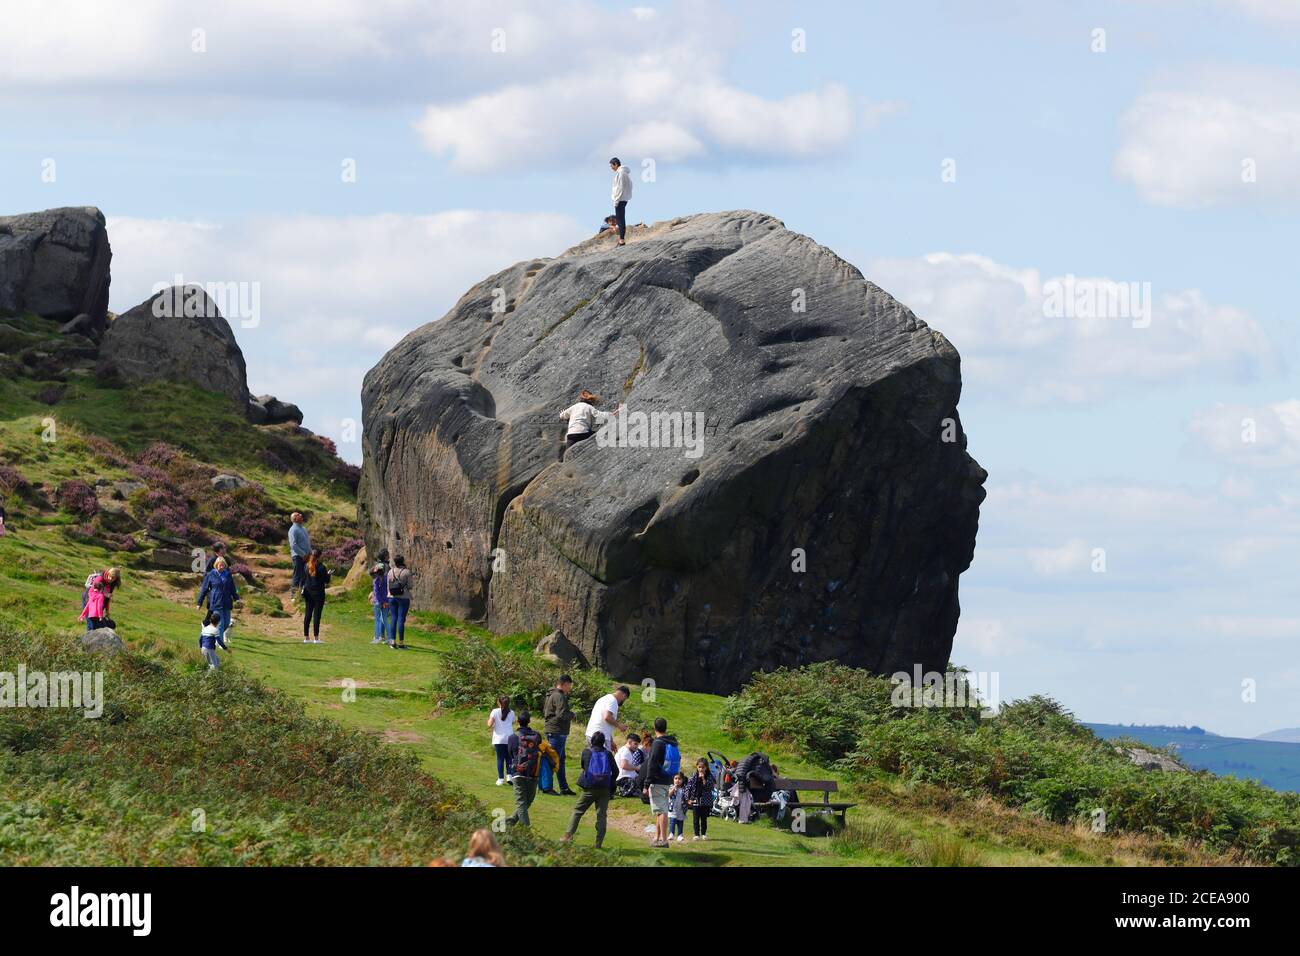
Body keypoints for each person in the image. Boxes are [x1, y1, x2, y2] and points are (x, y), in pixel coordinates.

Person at [561, 730, 616, 848]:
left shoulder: (587, 752)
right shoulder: (608, 754)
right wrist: (610, 785)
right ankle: (598, 843)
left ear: (592, 741)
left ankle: (568, 835)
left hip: (590, 788)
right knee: (601, 815)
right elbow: (615, 771)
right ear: (603, 742)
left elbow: (583, 766)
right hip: (605, 789)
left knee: (577, 811)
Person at [505, 711, 558, 829]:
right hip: (533, 772)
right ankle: (525, 829)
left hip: (517, 772)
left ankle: (513, 821)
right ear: (529, 721)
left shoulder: (512, 737)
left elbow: (510, 753)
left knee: (522, 802)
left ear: (518, 722)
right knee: (527, 801)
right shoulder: (537, 736)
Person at [642, 717, 680, 848]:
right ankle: (657, 838)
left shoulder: (658, 743)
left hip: (657, 780)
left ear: (654, 727)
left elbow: (651, 764)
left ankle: (664, 840)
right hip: (668, 779)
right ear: (665, 727)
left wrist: (646, 784)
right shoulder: (673, 742)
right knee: (660, 809)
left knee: (662, 810)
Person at [558, 389, 622, 461]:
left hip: (571, 435)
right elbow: (600, 415)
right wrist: (615, 412)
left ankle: (562, 464)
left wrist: (562, 414)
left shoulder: (574, 407)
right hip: (583, 433)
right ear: (591, 401)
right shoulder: (589, 407)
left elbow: (562, 416)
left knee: (567, 454)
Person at [540, 674, 576, 796]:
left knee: (559, 760)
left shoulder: (551, 694)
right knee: (552, 759)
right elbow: (561, 714)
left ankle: (564, 787)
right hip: (557, 731)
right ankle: (546, 787)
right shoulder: (559, 696)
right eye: (569, 685)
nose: (570, 688)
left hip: (555, 730)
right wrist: (572, 714)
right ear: (565, 684)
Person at [197, 557, 239, 647]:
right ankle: (220, 643)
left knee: (227, 623)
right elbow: (204, 589)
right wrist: (199, 602)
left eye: (223, 565)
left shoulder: (228, 575)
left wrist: (236, 598)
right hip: (216, 602)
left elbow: (232, 588)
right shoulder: (210, 575)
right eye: (220, 564)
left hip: (227, 602)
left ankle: (212, 635)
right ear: (216, 565)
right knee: (221, 623)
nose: (222, 566)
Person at [300, 548, 331, 643]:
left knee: (308, 615)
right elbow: (326, 580)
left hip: (308, 593)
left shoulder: (306, 566)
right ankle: (316, 638)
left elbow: (303, 579)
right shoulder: (322, 567)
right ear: (319, 556)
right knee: (317, 616)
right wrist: (329, 574)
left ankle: (306, 638)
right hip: (319, 594)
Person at [488, 694, 517, 786]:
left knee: (500, 759)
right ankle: (509, 776)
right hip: (510, 738)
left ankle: (500, 779)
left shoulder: (495, 711)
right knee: (509, 758)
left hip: (499, 739)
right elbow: (512, 722)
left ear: (499, 702)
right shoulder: (512, 712)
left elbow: (489, 724)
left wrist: (490, 722)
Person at [685, 757, 715, 840]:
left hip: (705, 801)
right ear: (697, 767)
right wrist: (688, 799)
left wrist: (703, 779)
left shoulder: (709, 776)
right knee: (696, 818)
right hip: (695, 800)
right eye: (699, 767)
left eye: (703, 767)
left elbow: (711, 787)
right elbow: (688, 787)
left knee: (704, 818)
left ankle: (704, 834)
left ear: (706, 767)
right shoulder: (693, 776)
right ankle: (696, 834)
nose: (701, 769)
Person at [386, 555, 412, 649]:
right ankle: (401, 643)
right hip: (403, 597)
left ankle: (392, 641)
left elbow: (388, 585)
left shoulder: (390, 571)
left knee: (393, 618)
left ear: (395, 562)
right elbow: (410, 586)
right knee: (401, 619)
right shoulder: (406, 572)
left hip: (391, 597)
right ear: (403, 561)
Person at [609, 156, 633, 246]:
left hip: (620, 199)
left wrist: (616, 200)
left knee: (620, 220)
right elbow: (630, 186)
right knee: (620, 219)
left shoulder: (621, 173)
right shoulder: (624, 173)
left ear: (616, 164)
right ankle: (621, 240)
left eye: (612, 165)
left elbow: (620, 188)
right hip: (624, 198)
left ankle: (622, 241)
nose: (611, 168)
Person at [369, 548, 391, 645]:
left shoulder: (376, 578)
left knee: (378, 619)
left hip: (378, 601)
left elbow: (371, 574)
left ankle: (378, 637)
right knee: (385, 618)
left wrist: (378, 600)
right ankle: (388, 637)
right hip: (386, 599)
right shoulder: (387, 570)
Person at [288, 512, 310, 602]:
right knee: (297, 575)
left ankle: (302, 595)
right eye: (298, 514)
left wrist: (310, 553)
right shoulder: (293, 529)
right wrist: (303, 554)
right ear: (294, 519)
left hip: (307, 556)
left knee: (305, 576)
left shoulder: (303, 529)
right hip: (298, 556)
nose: (301, 515)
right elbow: (293, 545)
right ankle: (293, 596)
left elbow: (307, 543)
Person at [615, 733, 642, 797]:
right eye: (635, 744)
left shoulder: (625, 750)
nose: (637, 746)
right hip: (624, 779)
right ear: (629, 742)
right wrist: (637, 768)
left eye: (638, 744)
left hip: (626, 777)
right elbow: (624, 765)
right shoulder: (626, 751)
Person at [668, 772, 688, 842]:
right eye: (675, 778)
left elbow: (686, 797)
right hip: (673, 808)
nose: (677, 780)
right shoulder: (671, 786)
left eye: (679, 779)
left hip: (681, 808)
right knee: (672, 821)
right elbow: (669, 795)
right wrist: (674, 788)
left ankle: (680, 835)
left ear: (682, 780)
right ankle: (671, 833)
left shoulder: (684, 789)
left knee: (680, 822)